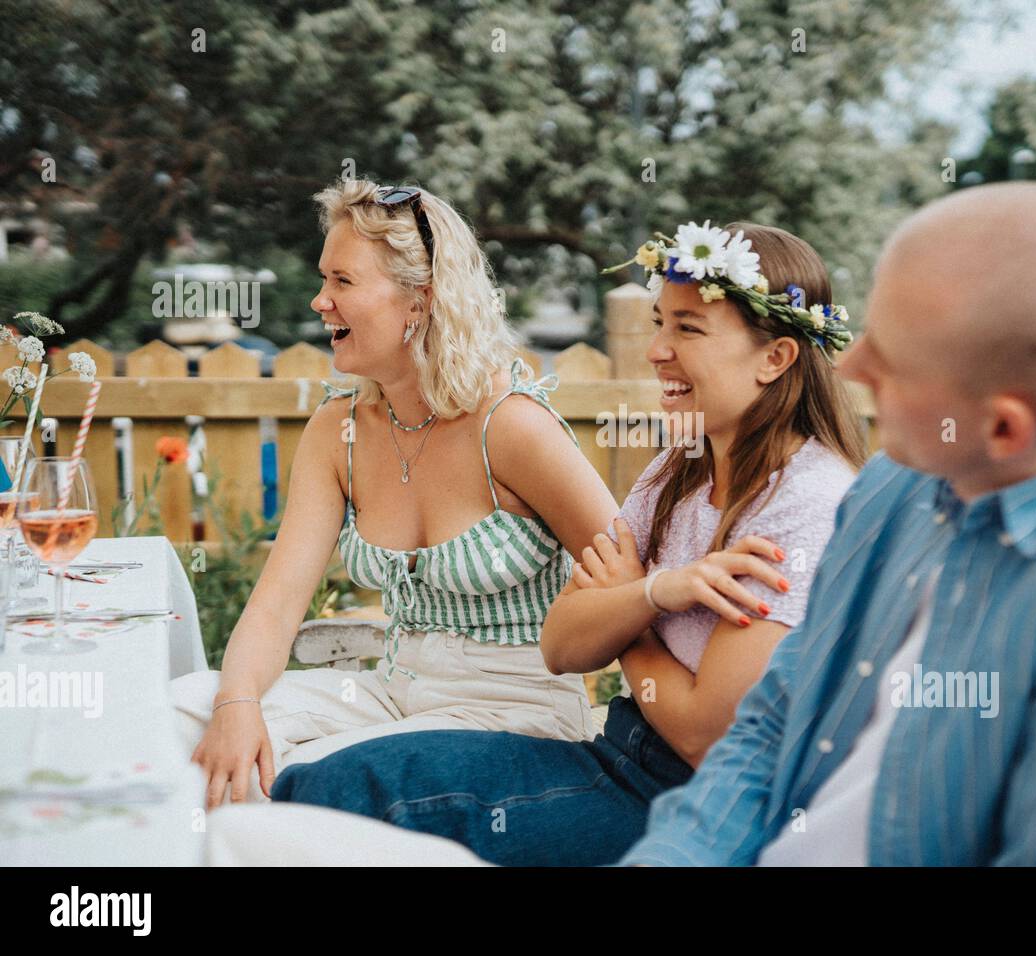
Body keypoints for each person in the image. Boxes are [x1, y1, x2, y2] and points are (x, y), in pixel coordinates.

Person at [619, 181, 1036, 866]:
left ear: (1002, 425)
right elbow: (773, 724)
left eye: (895, 355)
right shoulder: (896, 486)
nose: (849, 363)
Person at [202, 221, 865, 865]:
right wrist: (647, 595)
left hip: (681, 797)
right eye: (660, 322)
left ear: (776, 357)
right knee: (285, 763)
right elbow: (565, 643)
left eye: (686, 328)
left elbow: (701, 736)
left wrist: (630, 603)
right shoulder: (680, 469)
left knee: (335, 790)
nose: (657, 348)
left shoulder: (803, 504)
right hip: (618, 751)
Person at [171, 179, 618, 809]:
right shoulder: (339, 430)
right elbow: (275, 608)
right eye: (324, 279)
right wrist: (238, 705)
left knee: (298, 779)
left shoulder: (512, 426)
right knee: (178, 716)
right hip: (390, 690)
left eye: (342, 282)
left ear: (419, 300)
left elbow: (631, 579)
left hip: (517, 715)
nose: (319, 301)